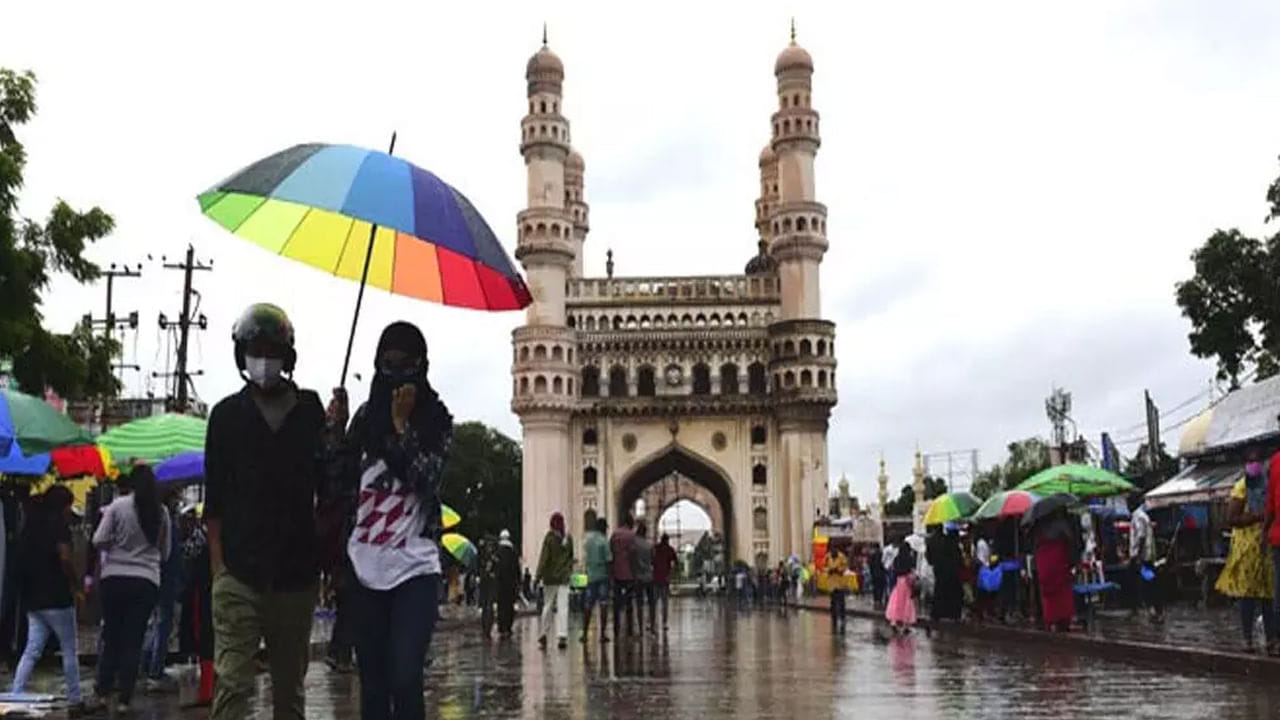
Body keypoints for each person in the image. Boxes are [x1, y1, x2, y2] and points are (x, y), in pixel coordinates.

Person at [204, 303, 344, 720]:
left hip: (295, 577)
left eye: (272, 350)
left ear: (287, 356)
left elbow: (331, 487)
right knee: (232, 685)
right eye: (256, 349)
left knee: (289, 692)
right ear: (242, 354)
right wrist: (219, 574)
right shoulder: (226, 416)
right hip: (239, 573)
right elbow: (214, 505)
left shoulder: (311, 411)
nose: (264, 359)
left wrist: (337, 434)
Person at [339, 321, 453, 720]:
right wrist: (333, 432)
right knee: (373, 682)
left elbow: (427, 479)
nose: (397, 372)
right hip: (363, 563)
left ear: (421, 366)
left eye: (406, 364)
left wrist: (402, 428)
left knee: (405, 677)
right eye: (389, 363)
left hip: (415, 565)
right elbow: (336, 481)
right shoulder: (365, 417)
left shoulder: (435, 419)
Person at [91, 465, 171, 714]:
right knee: (133, 640)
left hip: (114, 578)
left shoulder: (117, 506)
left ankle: (103, 693)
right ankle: (125, 699)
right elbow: (165, 552)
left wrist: (117, 545)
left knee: (112, 635)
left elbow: (97, 540)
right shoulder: (162, 512)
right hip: (146, 581)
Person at [11, 486, 85, 716]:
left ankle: (17, 692)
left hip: (33, 598)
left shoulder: (30, 525)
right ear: (62, 505)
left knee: (32, 648)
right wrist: (77, 585)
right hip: (57, 597)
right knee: (69, 648)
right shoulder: (58, 526)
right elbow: (64, 557)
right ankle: (75, 699)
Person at [1216, 450, 1275, 654]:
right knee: (1248, 597)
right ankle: (1248, 640)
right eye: (1251, 462)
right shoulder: (1241, 487)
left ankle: (1271, 641)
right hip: (1246, 548)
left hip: (1267, 546)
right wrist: (1257, 517)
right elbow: (1232, 518)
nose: (1255, 465)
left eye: (1257, 461)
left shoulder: (1269, 485)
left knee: (1269, 596)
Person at [143, 486, 184, 692]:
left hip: (150, 575)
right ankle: (155, 669)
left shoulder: (147, 514)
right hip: (164, 576)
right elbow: (167, 551)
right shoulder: (165, 517)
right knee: (162, 623)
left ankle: (148, 664)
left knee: (152, 623)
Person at [1031, 507, 1078, 632]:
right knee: (1062, 591)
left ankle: (1051, 620)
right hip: (1059, 561)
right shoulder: (1061, 524)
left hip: (1044, 564)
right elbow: (1070, 540)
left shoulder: (1038, 528)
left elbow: (1035, 547)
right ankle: (1064, 620)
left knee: (1048, 593)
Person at [536, 512, 574, 650]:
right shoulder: (568, 538)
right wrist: (568, 569)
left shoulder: (550, 538)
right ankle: (562, 635)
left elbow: (544, 558)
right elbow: (571, 556)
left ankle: (543, 633)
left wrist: (537, 576)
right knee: (563, 607)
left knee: (548, 606)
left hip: (550, 578)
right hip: (564, 578)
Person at [1128, 499, 1163, 623]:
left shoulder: (1137, 517)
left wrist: (1137, 555)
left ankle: (1152, 611)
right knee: (1150, 583)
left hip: (1142, 558)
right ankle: (1154, 611)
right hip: (1147, 556)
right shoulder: (1144, 516)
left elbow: (1141, 536)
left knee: (1145, 584)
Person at [582, 517, 612, 643]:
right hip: (602, 577)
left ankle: (584, 633)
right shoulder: (604, 541)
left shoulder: (588, 541)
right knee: (603, 604)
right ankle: (602, 634)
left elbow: (585, 557)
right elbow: (609, 560)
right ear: (603, 528)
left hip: (590, 577)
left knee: (588, 605)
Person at [926, 524, 964, 621]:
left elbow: (929, 558)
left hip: (938, 569)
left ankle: (937, 614)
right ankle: (953, 614)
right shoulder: (948, 541)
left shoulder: (930, 541)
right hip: (951, 570)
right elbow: (958, 558)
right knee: (953, 592)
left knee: (939, 591)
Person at [610, 516, 637, 638]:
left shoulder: (614, 535)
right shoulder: (632, 536)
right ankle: (630, 629)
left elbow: (610, 553)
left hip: (616, 573)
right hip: (629, 574)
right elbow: (633, 555)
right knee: (629, 602)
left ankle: (616, 628)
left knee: (616, 602)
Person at [885, 538, 917, 633]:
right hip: (907, 581)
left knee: (897, 602)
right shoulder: (909, 558)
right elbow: (912, 570)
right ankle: (906, 624)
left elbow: (893, 569)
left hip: (899, 581)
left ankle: (894, 621)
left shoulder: (897, 558)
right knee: (907, 603)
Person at [495, 530, 520, 637]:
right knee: (509, 605)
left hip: (499, 583)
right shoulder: (513, 552)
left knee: (501, 605)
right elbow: (517, 570)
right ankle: (508, 627)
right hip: (511, 583)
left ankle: (501, 627)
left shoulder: (497, 552)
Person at [632, 521, 655, 634]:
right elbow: (653, 560)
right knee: (651, 603)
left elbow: (631, 559)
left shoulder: (634, 544)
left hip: (638, 577)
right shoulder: (649, 545)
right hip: (649, 576)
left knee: (639, 603)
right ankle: (652, 626)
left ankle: (641, 628)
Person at [653, 534, 677, 630]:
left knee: (653, 601)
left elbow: (651, 560)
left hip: (655, 577)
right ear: (667, 540)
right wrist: (671, 570)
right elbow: (676, 561)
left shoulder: (655, 548)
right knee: (664, 602)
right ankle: (664, 623)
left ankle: (651, 622)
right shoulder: (670, 549)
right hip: (665, 578)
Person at [477, 536, 499, 637]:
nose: (489, 547)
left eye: (491, 545)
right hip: (484, 582)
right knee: (485, 605)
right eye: (488, 545)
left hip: (491, 583)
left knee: (489, 605)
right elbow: (479, 567)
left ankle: (488, 627)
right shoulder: (482, 556)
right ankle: (484, 626)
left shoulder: (494, 557)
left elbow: (497, 568)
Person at [827, 549, 849, 632]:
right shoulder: (828, 557)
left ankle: (842, 618)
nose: (833, 554)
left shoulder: (841, 557)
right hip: (832, 583)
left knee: (841, 602)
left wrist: (838, 569)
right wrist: (829, 570)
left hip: (840, 583)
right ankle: (834, 619)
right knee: (832, 603)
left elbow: (845, 567)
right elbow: (825, 567)